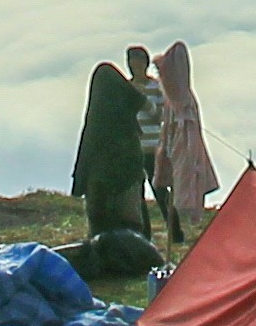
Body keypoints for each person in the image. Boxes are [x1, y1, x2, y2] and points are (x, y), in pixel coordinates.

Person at [73, 51, 159, 249]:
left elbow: (86, 155)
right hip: (130, 222)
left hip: (103, 209)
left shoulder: (97, 123)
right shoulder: (128, 129)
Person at [150, 40, 220, 247]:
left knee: (184, 190)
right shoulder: (173, 101)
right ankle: (177, 230)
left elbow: (189, 138)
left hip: (183, 153)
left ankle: (184, 229)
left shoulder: (184, 101)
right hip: (172, 151)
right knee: (170, 190)